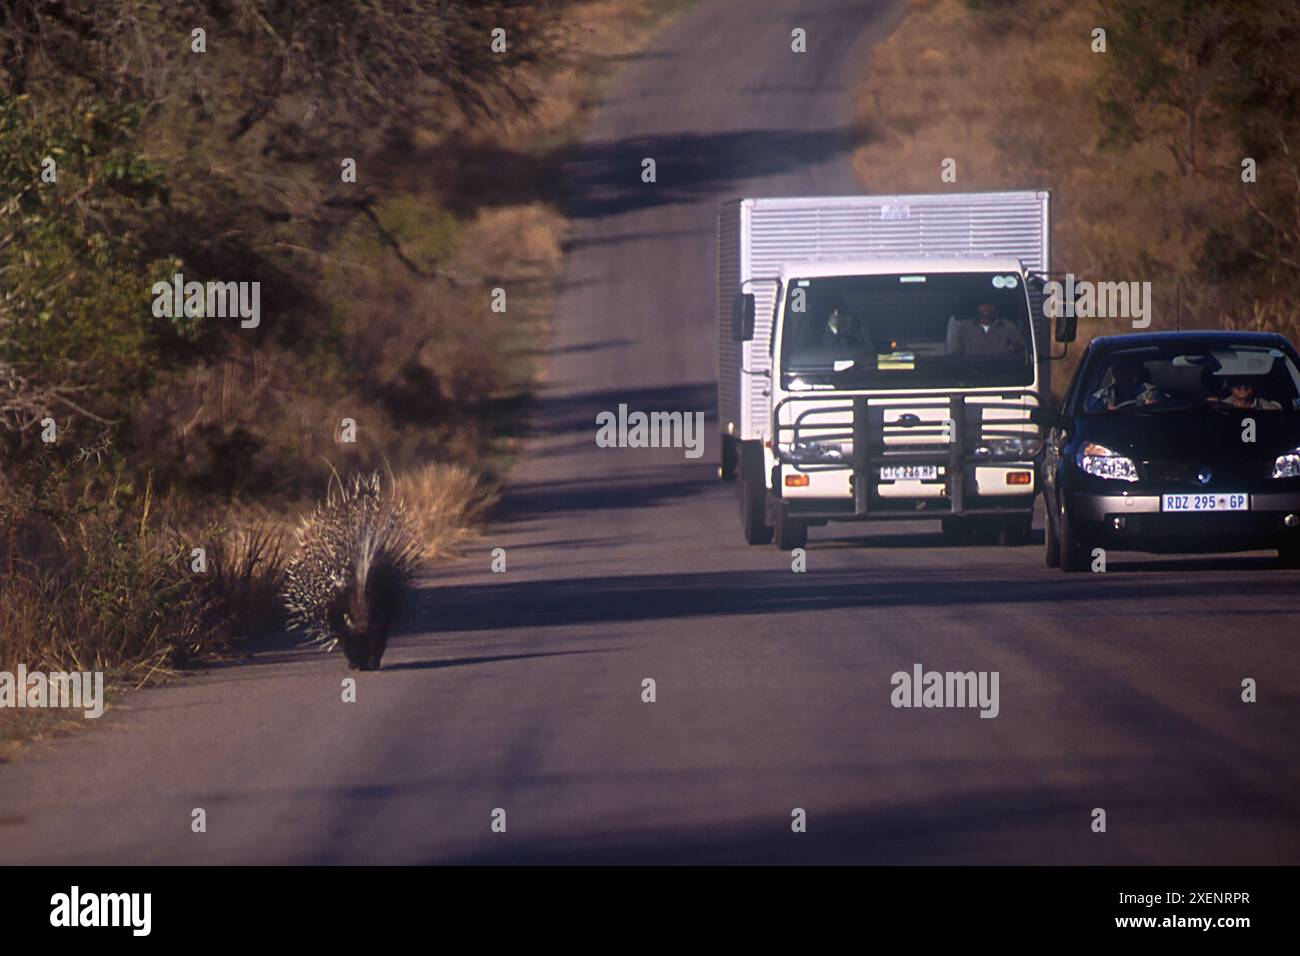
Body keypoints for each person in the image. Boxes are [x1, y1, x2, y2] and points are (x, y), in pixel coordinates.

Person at [949, 302, 1026, 358]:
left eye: (990, 305)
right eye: (983, 304)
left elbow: (1021, 346)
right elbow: (956, 353)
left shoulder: (1007, 326)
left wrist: (1008, 351)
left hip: (1001, 372)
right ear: (977, 307)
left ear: (995, 307)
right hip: (970, 373)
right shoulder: (964, 327)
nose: (986, 307)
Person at [1087, 359, 1166, 411]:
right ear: (1113, 372)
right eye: (1118, 369)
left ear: (1135, 371)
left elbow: (1161, 414)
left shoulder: (1152, 393)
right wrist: (1106, 414)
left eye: (1126, 369)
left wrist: (1150, 407)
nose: (1121, 374)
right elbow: (1090, 419)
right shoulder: (1101, 397)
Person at [1208, 379, 1281, 411]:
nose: (1242, 387)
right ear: (1230, 388)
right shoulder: (1220, 406)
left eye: (1247, 385)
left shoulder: (1266, 406)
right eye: (1237, 384)